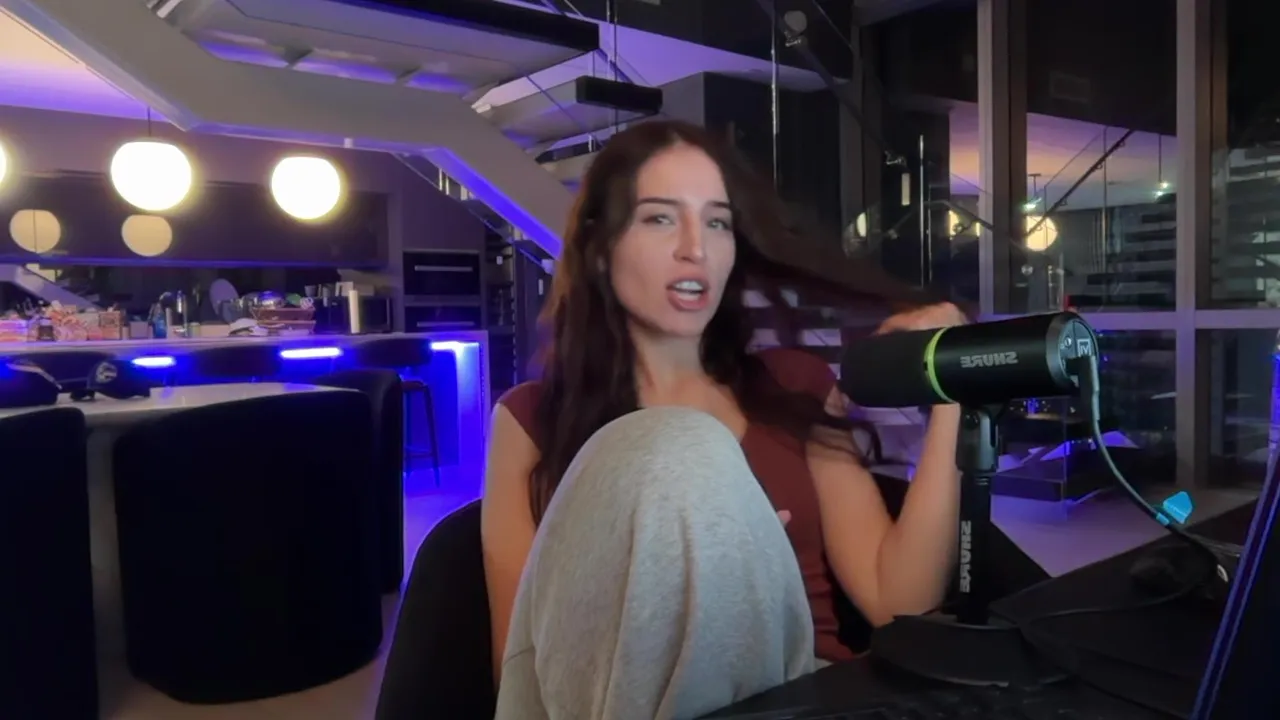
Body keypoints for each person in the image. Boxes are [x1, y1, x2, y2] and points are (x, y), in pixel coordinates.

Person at [482, 119, 967, 719]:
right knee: (680, 447)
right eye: (660, 218)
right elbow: (522, 672)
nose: (696, 248)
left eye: (717, 222)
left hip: (804, 698)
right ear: (601, 248)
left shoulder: (794, 385)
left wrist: (953, 392)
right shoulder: (530, 420)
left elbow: (899, 602)